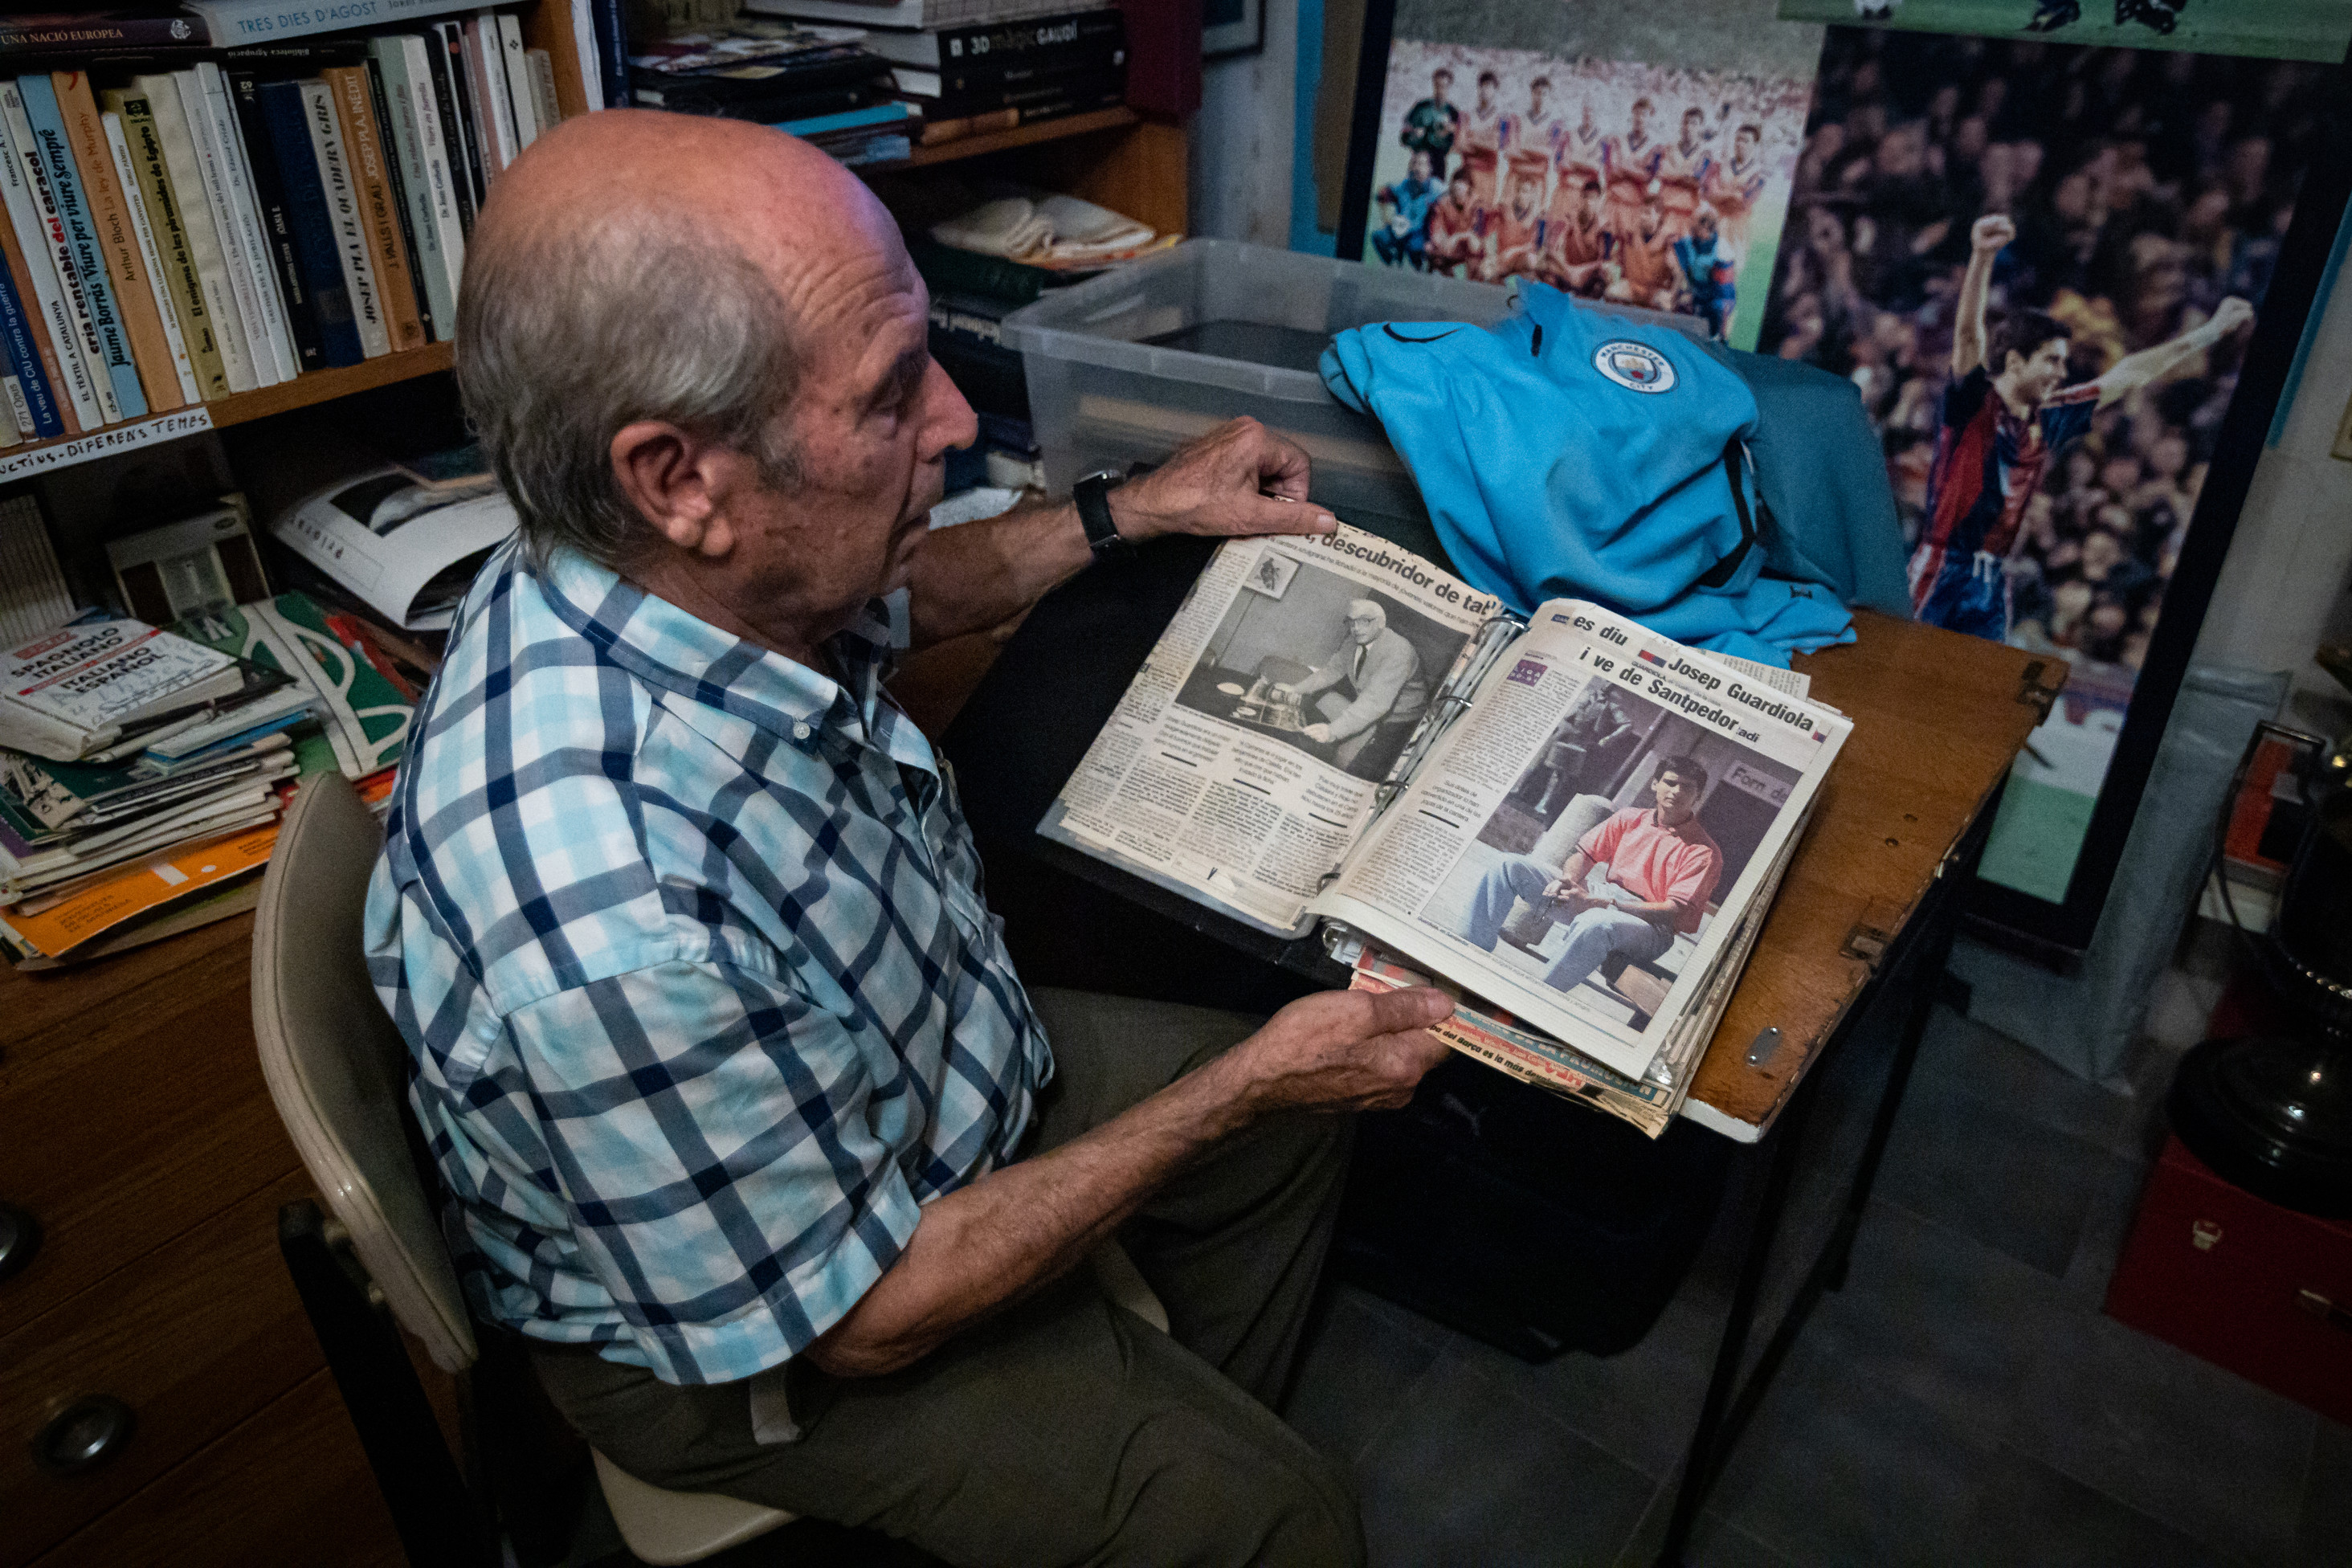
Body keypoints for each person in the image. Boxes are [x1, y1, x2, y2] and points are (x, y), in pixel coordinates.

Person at [365, 111, 1458, 1568]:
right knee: (1283, 1521)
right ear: (679, 480)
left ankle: (1149, 1448)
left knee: (1283, 1139)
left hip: (925, 1062)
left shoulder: (657, 564)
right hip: (788, 1322)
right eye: (890, 394)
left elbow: (898, 594)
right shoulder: (606, 922)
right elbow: (863, 1316)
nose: (955, 419)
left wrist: (1128, 509)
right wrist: (1238, 1090)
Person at [1909, 213, 2254, 640]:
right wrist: (1982, 256)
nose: (2061, 372)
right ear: (2015, 361)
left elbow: (2129, 373)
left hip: (1993, 578)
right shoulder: (1974, 405)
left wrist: (2209, 332)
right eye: (2051, 361)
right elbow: (1967, 338)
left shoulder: (2049, 415)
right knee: (1899, 663)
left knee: (1976, 678)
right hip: (1945, 565)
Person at [1460, 756, 1722, 998]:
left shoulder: (1704, 851)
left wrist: (1603, 904)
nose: (1676, 791)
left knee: (1597, 922)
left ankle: (1538, 996)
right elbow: (1583, 855)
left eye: (1687, 787)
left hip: (1651, 927)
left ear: (1698, 796)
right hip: (1603, 896)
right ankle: (1470, 951)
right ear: (1655, 784)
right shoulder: (1630, 818)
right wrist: (1569, 880)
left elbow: (1672, 911)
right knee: (1509, 865)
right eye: (1670, 782)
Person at [1270, 599, 1431, 780]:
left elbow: (1375, 702)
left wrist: (1333, 731)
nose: (1356, 628)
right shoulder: (1353, 642)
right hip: (1371, 707)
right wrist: (1296, 689)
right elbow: (1331, 671)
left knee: (1358, 770)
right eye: (1351, 622)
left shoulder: (1399, 651)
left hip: (1401, 722)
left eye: (1364, 621)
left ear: (1381, 622)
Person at [1607, 193, 1684, 313]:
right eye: (1641, 212)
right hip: (1633, 287)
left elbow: (1678, 273)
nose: (1643, 217)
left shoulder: (1668, 240)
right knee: (1612, 292)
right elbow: (1614, 259)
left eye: (1647, 213)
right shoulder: (1630, 234)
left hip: (1655, 291)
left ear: (1658, 215)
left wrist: (1672, 295)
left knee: (1667, 304)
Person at [1699, 122, 1768, 253]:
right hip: (1714, 222)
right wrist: (1732, 194)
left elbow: (1744, 202)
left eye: (1745, 141)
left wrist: (1724, 194)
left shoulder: (1758, 175)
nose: (1740, 144)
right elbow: (1709, 195)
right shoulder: (1720, 167)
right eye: (1738, 139)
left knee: (1729, 261)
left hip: (1737, 228)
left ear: (1755, 145)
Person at [1539, 176, 1614, 296]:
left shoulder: (1605, 227)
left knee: (1606, 275)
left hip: (1588, 277)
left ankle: (1588, 304)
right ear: (1580, 198)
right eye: (1585, 197)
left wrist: (1582, 271)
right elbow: (1554, 248)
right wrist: (1567, 268)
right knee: (1545, 265)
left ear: (1599, 201)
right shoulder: (1569, 219)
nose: (1588, 202)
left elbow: (1604, 262)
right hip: (1567, 272)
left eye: (1593, 198)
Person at [1371, 147, 1443, 269]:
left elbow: (1450, 200)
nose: (1417, 168)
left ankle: (1420, 270)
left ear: (1429, 168)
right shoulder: (1404, 185)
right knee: (1379, 237)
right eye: (1414, 164)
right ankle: (1392, 263)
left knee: (1419, 252)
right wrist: (1386, 218)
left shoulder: (1436, 188)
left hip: (1420, 235)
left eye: (1421, 164)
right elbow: (1382, 195)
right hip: (1400, 230)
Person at [1600, 96, 1661, 234]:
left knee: (1628, 244)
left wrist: (1625, 170)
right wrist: (1636, 171)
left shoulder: (1654, 148)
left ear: (1650, 118)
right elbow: (1612, 172)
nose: (1639, 118)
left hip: (1635, 205)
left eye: (1644, 115)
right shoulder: (1618, 140)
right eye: (1637, 114)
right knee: (1605, 242)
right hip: (1614, 201)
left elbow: (1648, 178)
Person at [1456, 70, 1507, 214]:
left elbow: (1498, 146)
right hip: (1467, 172)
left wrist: (1473, 140)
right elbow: (1460, 144)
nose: (1485, 90)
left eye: (1489, 87)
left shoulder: (1502, 118)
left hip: (1488, 175)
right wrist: (1485, 140)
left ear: (1495, 90)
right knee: (1463, 213)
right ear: (1478, 89)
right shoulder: (1467, 115)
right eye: (1483, 86)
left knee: (1483, 215)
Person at [1422, 168, 1488, 276]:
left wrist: (1457, 237)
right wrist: (1439, 243)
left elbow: (1477, 240)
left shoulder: (1477, 205)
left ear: (1469, 187)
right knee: (1431, 250)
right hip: (1450, 246)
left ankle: (1473, 282)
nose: (1459, 187)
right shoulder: (1442, 202)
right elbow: (1435, 230)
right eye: (1456, 183)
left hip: (1468, 247)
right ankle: (1446, 280)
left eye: (1463, 183)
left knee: (1474, 252)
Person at [1399, 66, 1461, 171]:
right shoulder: (1421, 108)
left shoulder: (1454, 113)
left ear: (1450, 87)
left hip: (1438, 162)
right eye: (1437, 86)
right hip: (1418, 162)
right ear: (1433, 85)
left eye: (1444, 87)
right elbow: (1404, 136)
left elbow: (1459, 144)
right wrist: (1414, 135)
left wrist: (1451, 132)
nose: (1440, 90)